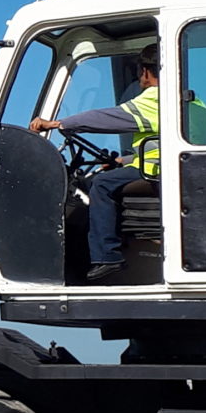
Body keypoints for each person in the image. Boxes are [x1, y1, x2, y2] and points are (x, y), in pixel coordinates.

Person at [31, 51, 161, 280]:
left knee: (101, 185)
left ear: (145, 71)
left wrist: (57, 123)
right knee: (107, 177)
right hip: (167, 167)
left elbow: (105, 118)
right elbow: (164, 145)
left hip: (156, 172)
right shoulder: (191, 101)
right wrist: (123, 161)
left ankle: (107, 257)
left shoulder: (156, 98)